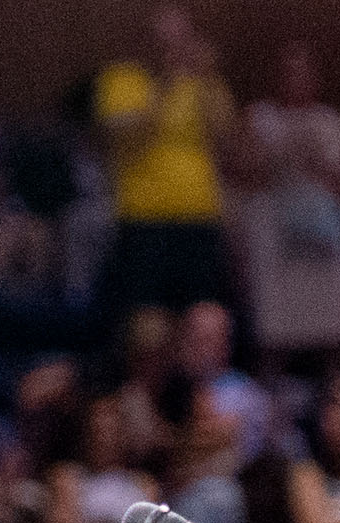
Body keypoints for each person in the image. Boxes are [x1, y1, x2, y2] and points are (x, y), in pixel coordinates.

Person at [93, 4, 233, 315]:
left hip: (199, 214)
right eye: (164, 35)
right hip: (144, 215)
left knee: (200, 317)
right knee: (146, 322)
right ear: (147, 38)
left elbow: (223, 136)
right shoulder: (122, 79)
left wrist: (207, 79)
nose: (171, 43)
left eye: (180, 35)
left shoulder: (204, 85)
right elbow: (125, 136)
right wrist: (165, 83)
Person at [235, 43, 340, 360]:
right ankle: (271, 388)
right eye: (289, 74)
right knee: (275, 323)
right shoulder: (260, 117)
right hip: (273, 230)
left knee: (329, 321)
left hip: (322, 231)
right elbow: (242, 170)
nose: (296, 80)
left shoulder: (332, 122)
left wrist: (316, 158)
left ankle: (335, 388)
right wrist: (279, 153)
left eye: (303, 74)